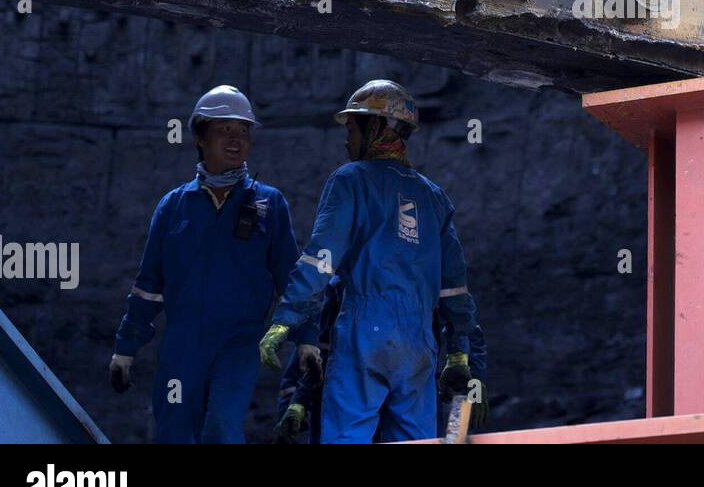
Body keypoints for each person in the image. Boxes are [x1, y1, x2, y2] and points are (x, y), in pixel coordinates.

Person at [259, 79, 478, 443]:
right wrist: (459, 353)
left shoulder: (350, 180)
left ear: (375, 127)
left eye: (352, 127)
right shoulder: (434, 197)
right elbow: (454, 285)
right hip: (418, 341)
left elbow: (321, 260)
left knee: (347, 437)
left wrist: (284, 319)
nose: (347, 139)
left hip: (365, 328)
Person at [109, 85, 317, 442]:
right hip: (181, 344)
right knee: (174, 431)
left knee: (222, 427)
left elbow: (291, 277)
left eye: (244, 131)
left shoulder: (269, 204)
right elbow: (148, 285)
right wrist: (125, 349)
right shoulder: (173, 207)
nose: (236, 140)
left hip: (239, 343)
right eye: (224, 130)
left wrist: (307, 339)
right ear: (200, 136)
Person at [273, 276, 490, 443]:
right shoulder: (343, 282)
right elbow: (322, 347)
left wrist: (474, 387)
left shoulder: (427, 272)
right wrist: (298, 402)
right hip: (357, 385)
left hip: (413, 387)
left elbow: (466, 330)